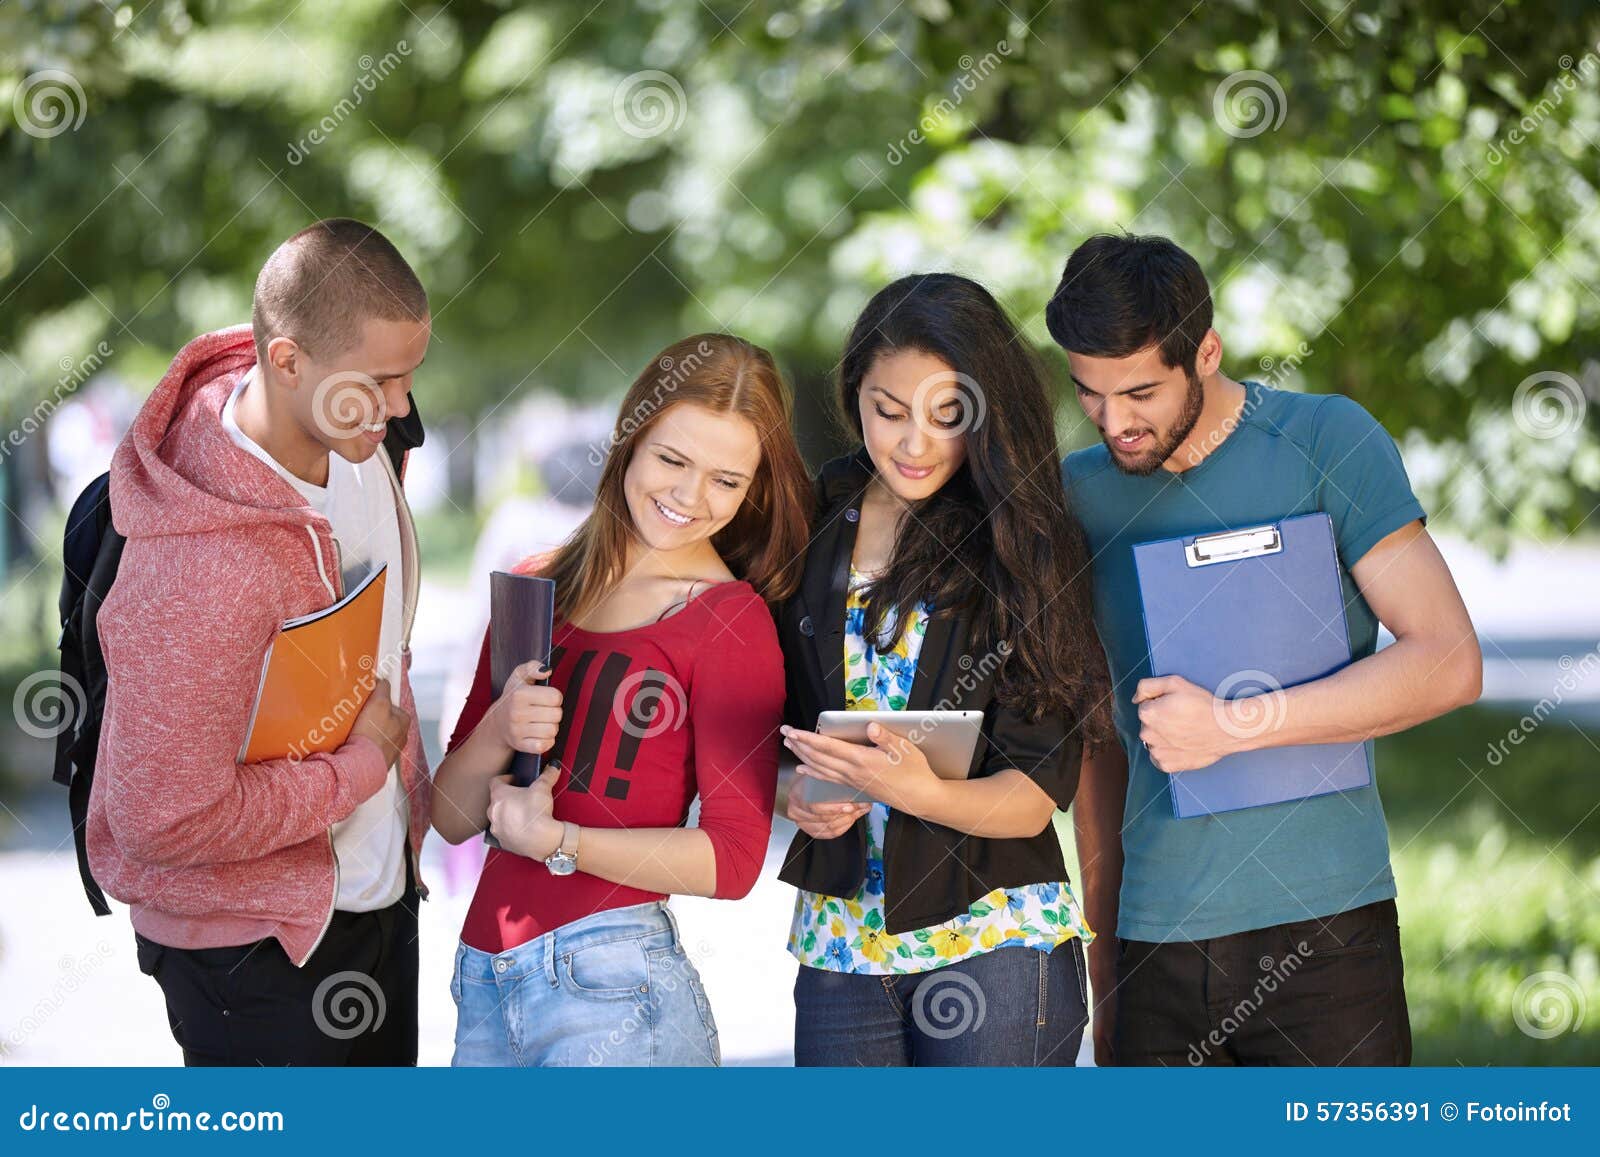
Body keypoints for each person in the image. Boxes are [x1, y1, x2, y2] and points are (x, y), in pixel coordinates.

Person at [1050, 232, 1482, 1067]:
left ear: (1205, 352)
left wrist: (1236, 724)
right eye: (1090, 394)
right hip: (1154, 939)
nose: (1114, 422)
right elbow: (1098, 751)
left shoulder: (1328, 442)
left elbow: (1449, 660)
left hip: (1327, 932)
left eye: (1139, 392)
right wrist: (1104, 959)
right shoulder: (1079, 495)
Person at [87, 218, 433, 1065]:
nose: (399, 408)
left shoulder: (361, 442)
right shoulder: (199, 562)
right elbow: (160, 822)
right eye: (380, 382)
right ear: (286, 361)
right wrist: (360, 770)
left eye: (409, 377)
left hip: (375, 912)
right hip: (255, 956)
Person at [432, 333, 812, 1067]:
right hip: (484, 979)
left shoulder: (728, 619)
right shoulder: (535, 586)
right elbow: (448, 815)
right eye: (672, 460)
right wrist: (498, 729)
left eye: (727, 481)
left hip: (616, 989)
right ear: (629, 441)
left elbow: (734, 861)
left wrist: (559, 844)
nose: (690, 498)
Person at [777, 273, 1114, 1066]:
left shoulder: (1025, 539)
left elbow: (1036, 794)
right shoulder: (811, 517)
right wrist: (791, 792)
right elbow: (767, 715)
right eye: (888, 412)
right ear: (854, 393)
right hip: (840, 947)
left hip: (995, 933)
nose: (913, 443)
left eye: (945, 416)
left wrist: (918, 792)